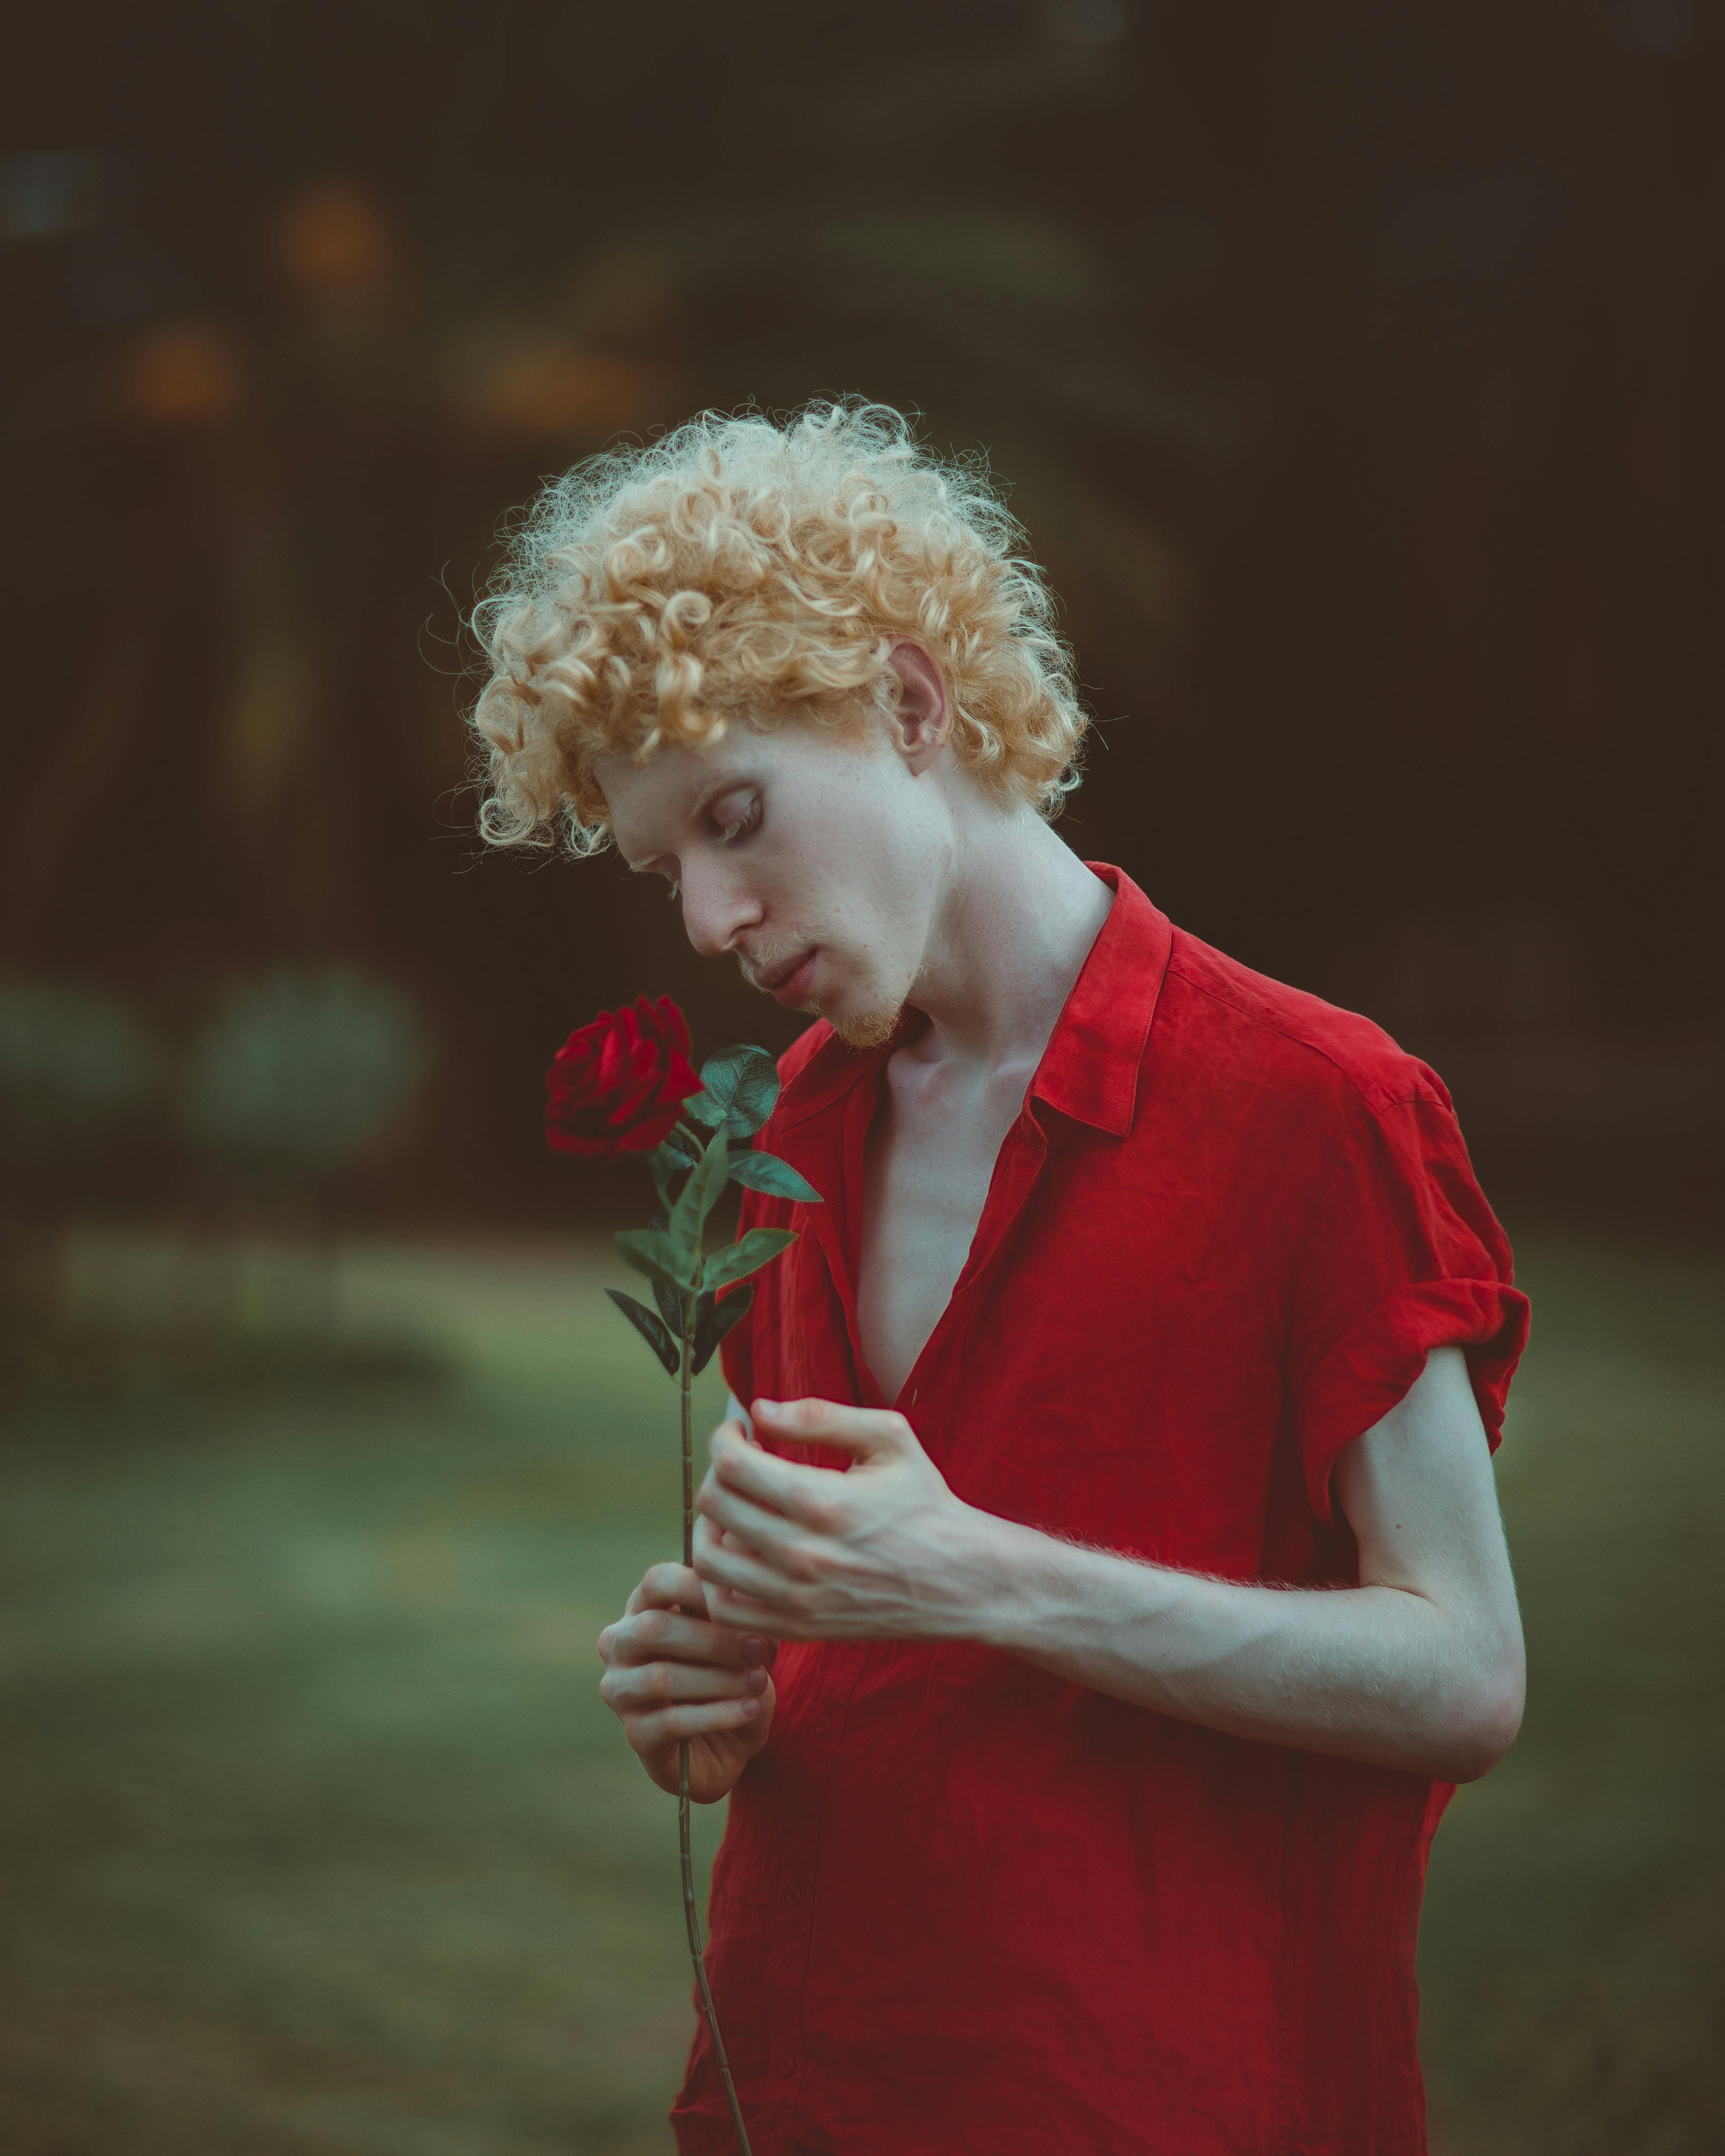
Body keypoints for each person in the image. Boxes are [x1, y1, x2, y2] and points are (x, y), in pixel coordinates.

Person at [470, 401, 1530, 2156]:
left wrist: (971, 1570)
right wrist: (721, 1693)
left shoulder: (1319, 1109)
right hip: (801, 2087)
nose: (707, 920)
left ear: (907, 704)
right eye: (670, 864)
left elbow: (1465, 1674)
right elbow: (867, 1642)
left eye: (737, 816)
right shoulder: (775, 1140)